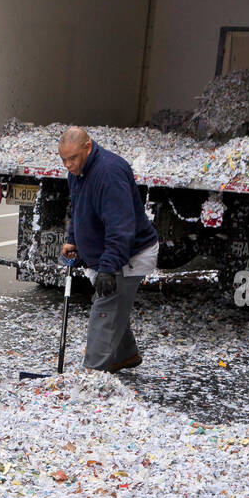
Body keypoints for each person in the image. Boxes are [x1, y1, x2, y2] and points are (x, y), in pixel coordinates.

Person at [58, 125, 158, 372]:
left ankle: (92, 373)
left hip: (131, 253)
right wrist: (73, 239)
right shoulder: (78, 173)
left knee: (105, 306)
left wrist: (108, 268)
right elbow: (79, 210)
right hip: (109, 253)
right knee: (113, 304)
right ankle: (125, 355)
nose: (68, 165)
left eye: (72, 158)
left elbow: (121, 227)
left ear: (88, 147)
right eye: (63, 160)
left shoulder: (109, 173)